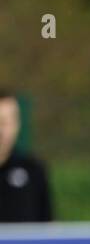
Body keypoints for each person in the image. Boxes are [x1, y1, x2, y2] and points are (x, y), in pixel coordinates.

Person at [0, 89, 54, 223]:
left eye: (6, 122)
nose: (1, 130)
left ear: (17, 124)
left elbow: (48, 225)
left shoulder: (34, 169)